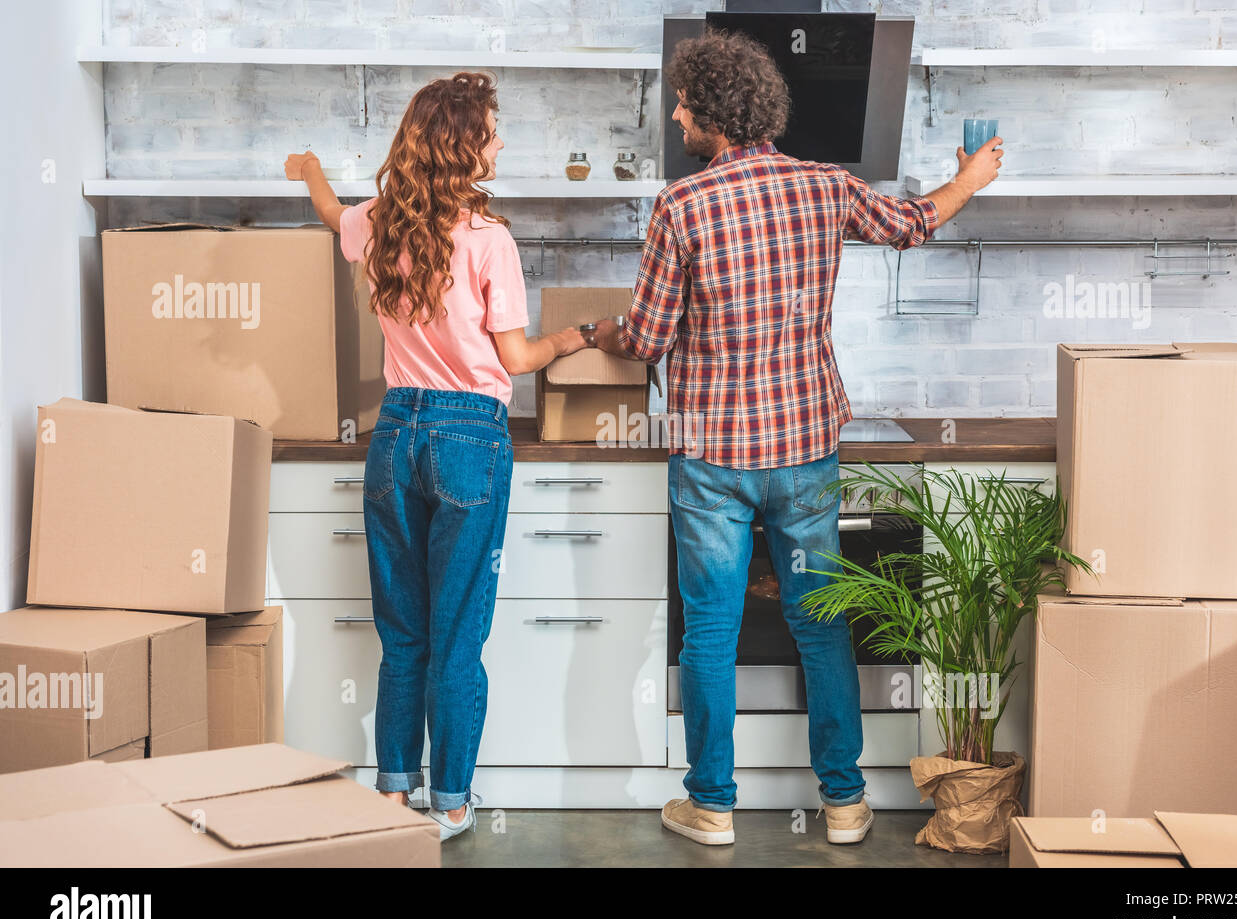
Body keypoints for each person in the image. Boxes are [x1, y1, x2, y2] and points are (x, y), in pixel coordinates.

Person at [588, 29, 1003, 847]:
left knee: (710, 629)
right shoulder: (823, 186)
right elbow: (913, 224)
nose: (674, 116)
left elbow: (646, 338)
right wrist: (969, 181)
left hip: (712, 455)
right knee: (819, 620)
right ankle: (845, 802)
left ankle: (712, 804)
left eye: (682, 104)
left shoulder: (682, 206)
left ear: (714, 113)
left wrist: (600, 330)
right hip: (805, 447)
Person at [285, 72, 586, 842]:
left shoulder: (382, 221)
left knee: (404, 633)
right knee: (457, 634)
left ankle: (391, 793)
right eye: (493, 128)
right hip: (468, 440)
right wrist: (578, 338)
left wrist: (310, 169)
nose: (502, 140)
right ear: (465, 144)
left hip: (394, 435)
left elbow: (329, 216)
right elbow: (516, 357)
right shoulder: (490, 240)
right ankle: (450, 802)